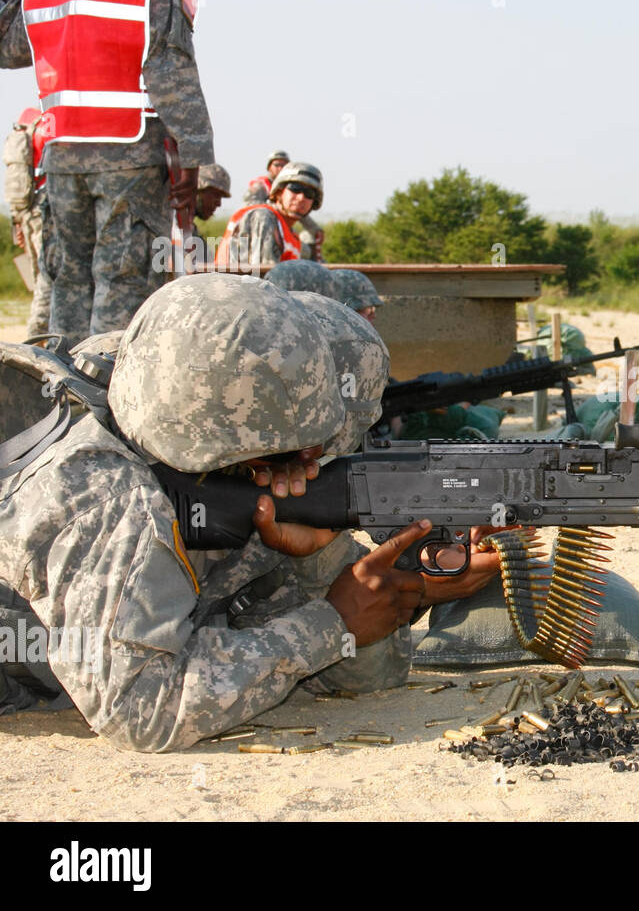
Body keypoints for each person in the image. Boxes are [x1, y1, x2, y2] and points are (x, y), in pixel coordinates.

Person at [0, 275, 501, 750]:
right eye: (306, 446)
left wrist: (322, 565)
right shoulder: (103, 491)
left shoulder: (209, 438)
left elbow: (367, 677)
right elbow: (142, 710)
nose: (312, 463)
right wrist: (329, 626)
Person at [0, 0, 215, 346]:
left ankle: (65, 390)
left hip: (63, 160)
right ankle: (106, 390)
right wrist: (193, 154)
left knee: (69, 278)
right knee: (123, 279)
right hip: (130, 160)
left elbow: (7, 48)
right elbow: (172, 75)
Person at [216, 161, 322, 270]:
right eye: (295, 188)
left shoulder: (291, 235)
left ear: (314, 202)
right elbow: (264, 277)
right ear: (279, 191)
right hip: (232, 285)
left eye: (309, 194)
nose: (301, 198)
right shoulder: (262, 217)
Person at [2, 105, 49, 336]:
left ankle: (37, 334)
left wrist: (17, 221)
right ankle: (37, 337)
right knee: (47, 281)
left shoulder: (26, 121)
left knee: (40, 278)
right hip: (46, 210)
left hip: (27, 211)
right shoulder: (50, 122)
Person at [185, 162, 229, 264]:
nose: (219, 203)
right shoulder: (173, 227)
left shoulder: (191, 230)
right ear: (198, 189)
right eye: (216, 195)